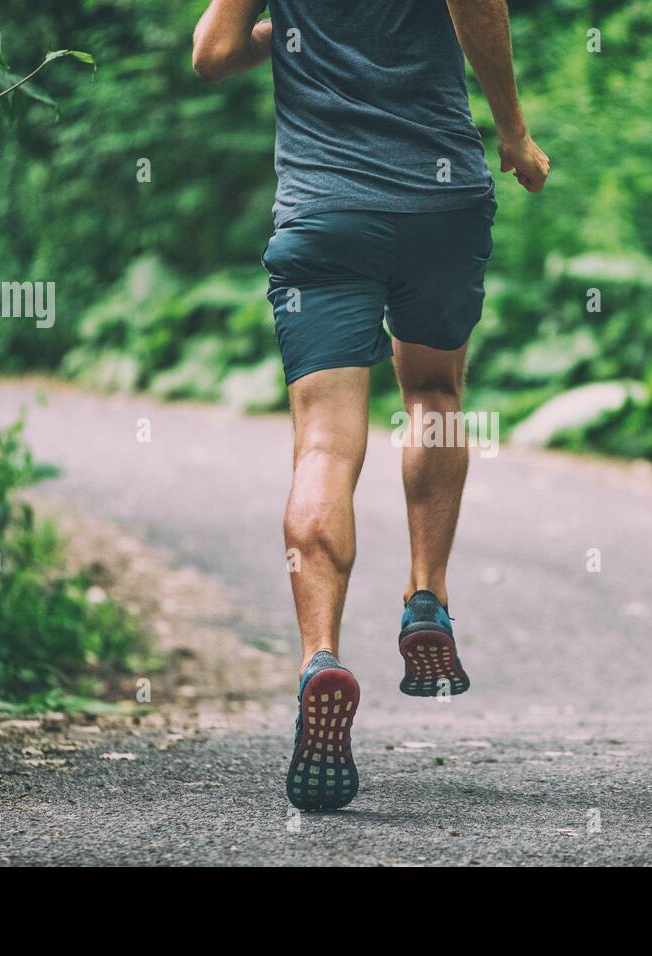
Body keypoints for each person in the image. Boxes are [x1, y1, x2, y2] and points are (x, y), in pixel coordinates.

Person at [192, 0, 549, 810]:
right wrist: (513, 130)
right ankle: (427, 597)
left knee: (322, 442)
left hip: (325, 212)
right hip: (441, 200)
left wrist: (281, 34)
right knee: (431, 391)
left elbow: (210, 53)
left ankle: (321, 656)